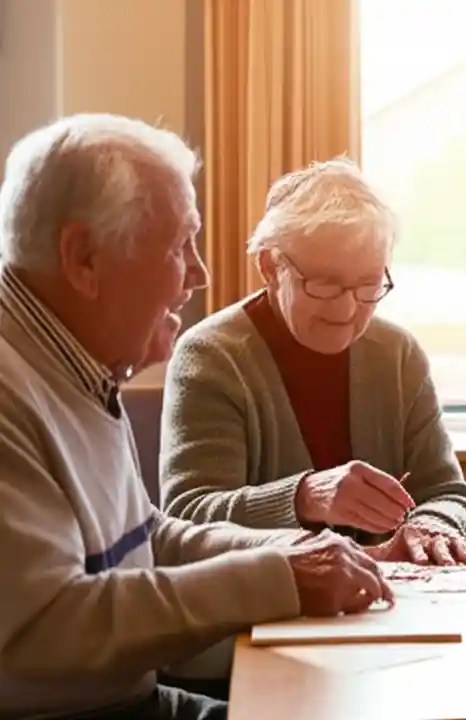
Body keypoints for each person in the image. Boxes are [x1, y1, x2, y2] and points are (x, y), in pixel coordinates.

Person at [0, 114, 393, 719]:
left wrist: (297, 550)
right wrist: (277, 579)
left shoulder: (69, 365)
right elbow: (44, 631)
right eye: (179, 245)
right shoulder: (11, 394)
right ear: (83, 258)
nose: (201, 275)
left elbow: (148, 538)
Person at [160, 158, 466, 566]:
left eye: (368, 283)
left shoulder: (398, 354)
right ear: (270, 266)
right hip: (261, 611)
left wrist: (434, 523)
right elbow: (186, 518)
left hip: (390, 603)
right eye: (325, 283)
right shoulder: (211, 356)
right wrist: (304, 497)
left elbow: (449, 495)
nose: (348, 308)